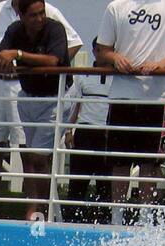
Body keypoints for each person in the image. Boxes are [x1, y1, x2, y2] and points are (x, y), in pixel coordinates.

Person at [0, 0, 80, 219]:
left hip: (54, 97)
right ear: (21, 15)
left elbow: (53, 60)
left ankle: (38, 212)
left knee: (37, 157)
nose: (39, 18)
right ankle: (43, 210)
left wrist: (18, 55)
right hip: (26, 94)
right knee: (27, 156)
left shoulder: (54, 26)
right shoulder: (10, 26)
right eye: (33, 15)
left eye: (41, 13)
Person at [95, 0, 165, 209]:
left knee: (149, 162)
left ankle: (145, 216)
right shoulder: (116, 6)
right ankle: (117, 216)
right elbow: (103, 49)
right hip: (122, 95)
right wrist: (116, 58)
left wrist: (162, 64)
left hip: (156, 97)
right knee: (119, 161)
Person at [62, 40, 111, 222]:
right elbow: (75, 107)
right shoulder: (82, 76)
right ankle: (71, 221)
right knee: (77, 183)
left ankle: (104, 222)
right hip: (84, 132)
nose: (102, 53)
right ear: (94, 51)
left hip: (107, 134)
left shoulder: (119, 77)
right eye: (99, 50)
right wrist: (68, 131)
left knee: (105, 185)